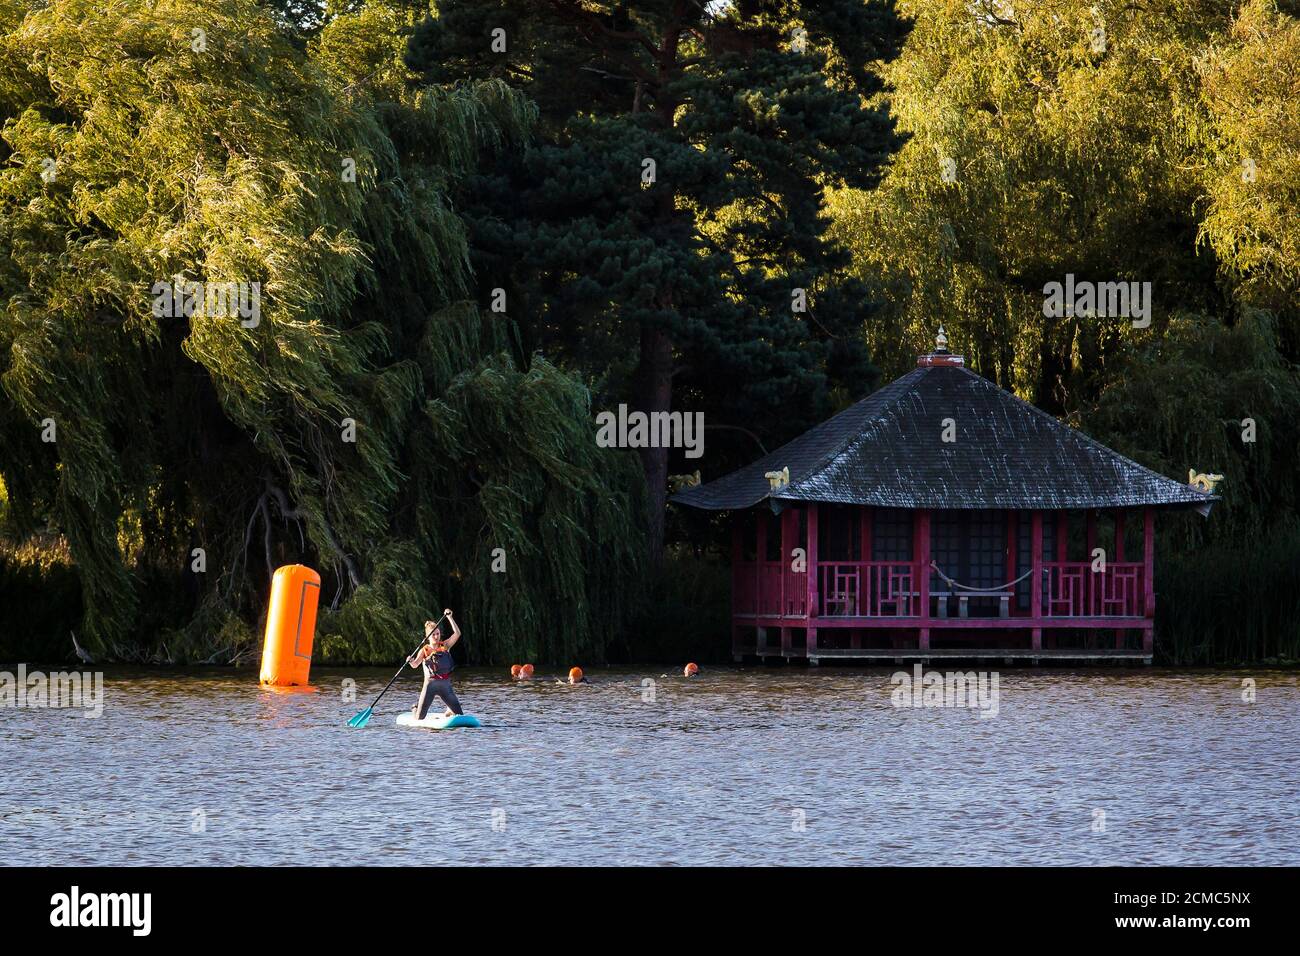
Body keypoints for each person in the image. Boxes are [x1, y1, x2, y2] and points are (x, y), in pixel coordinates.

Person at [409, 609, 463, 719]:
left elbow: (457, 633)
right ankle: (415, 708)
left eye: (438, 634)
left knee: (459, 716)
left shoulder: (445, 645)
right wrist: (410, 661)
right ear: (428, 636)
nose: (436, 636)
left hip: (446, 685)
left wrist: (450, 617)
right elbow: (415, 665)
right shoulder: (424, 650)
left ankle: (449, 710)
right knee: (419, 718)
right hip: (430, 686)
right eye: (433, 634)